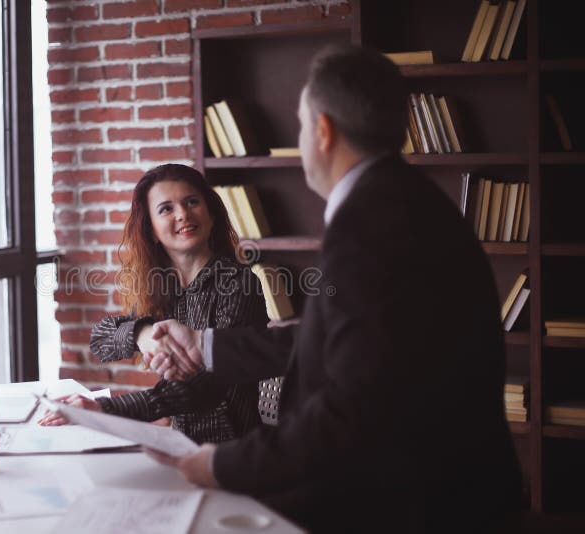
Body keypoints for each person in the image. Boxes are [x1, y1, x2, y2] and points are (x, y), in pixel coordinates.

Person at [144, 45, 523, 532]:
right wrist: (204, 344)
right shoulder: (405, 200)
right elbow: (344, 342)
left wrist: (223, 464)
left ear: (323, 131)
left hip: (419, 505)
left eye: (301, 126)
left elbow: (353, 408)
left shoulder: (370, 226)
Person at [40, 163, 271, 444]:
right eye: (166, 209)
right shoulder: (159, 284)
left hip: (233, 448)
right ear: (151, 230)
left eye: (192, 202)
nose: (183, 214)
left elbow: (207, 388)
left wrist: (105, 409)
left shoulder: (239, 283)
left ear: (211, 213)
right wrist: (143, 334)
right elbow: (100, 340)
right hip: (177, 441)